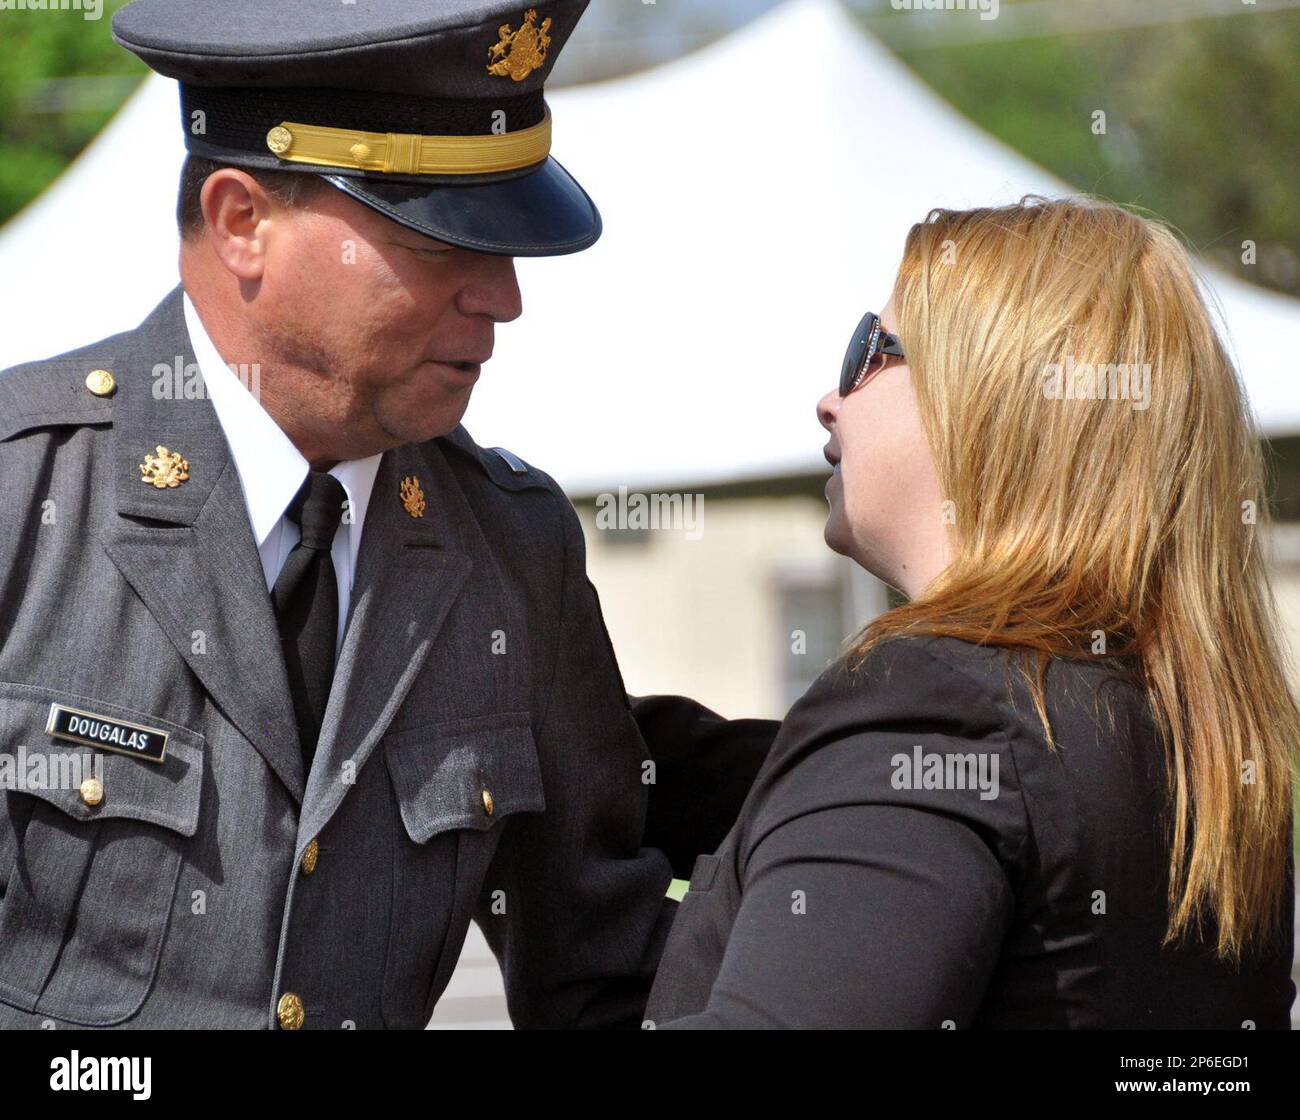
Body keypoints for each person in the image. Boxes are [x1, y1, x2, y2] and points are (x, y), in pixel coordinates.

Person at [0, 0, 772, 1030]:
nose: (502, 298)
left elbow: (596, 970)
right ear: (243, 222)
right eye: (438, 235)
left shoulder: (511, 547)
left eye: (505, 244)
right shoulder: (25, 494)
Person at [644, 197, 1299, 1029]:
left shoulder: (933, 705)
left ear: (981, 397)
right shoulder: (1184, 730)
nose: (829, 399)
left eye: (867, 351)